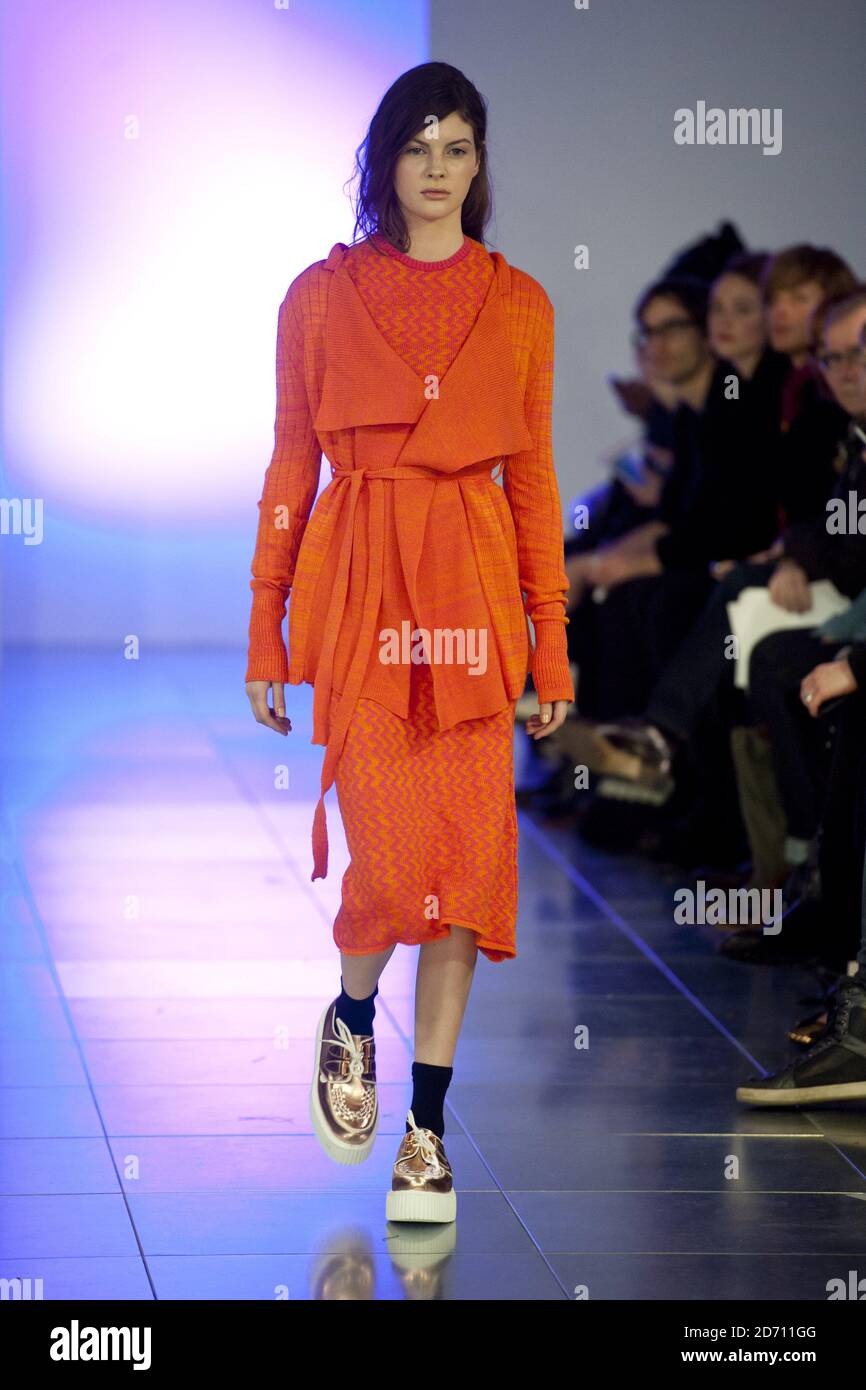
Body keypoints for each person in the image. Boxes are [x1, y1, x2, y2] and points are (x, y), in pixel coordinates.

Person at [243, 63, 573, 1223]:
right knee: (389, 860)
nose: (436, 170)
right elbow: (292, 465)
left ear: (478, 168)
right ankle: (349, 1015)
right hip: (362, 585)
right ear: (384, 161)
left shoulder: (521, 303)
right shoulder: (318, 297)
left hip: (475, 592)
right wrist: (264, 624)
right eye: (417, 147)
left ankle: (425, 1127)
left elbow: (531, 480)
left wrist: (552, 649)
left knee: (465, 872)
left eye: (457, 149)